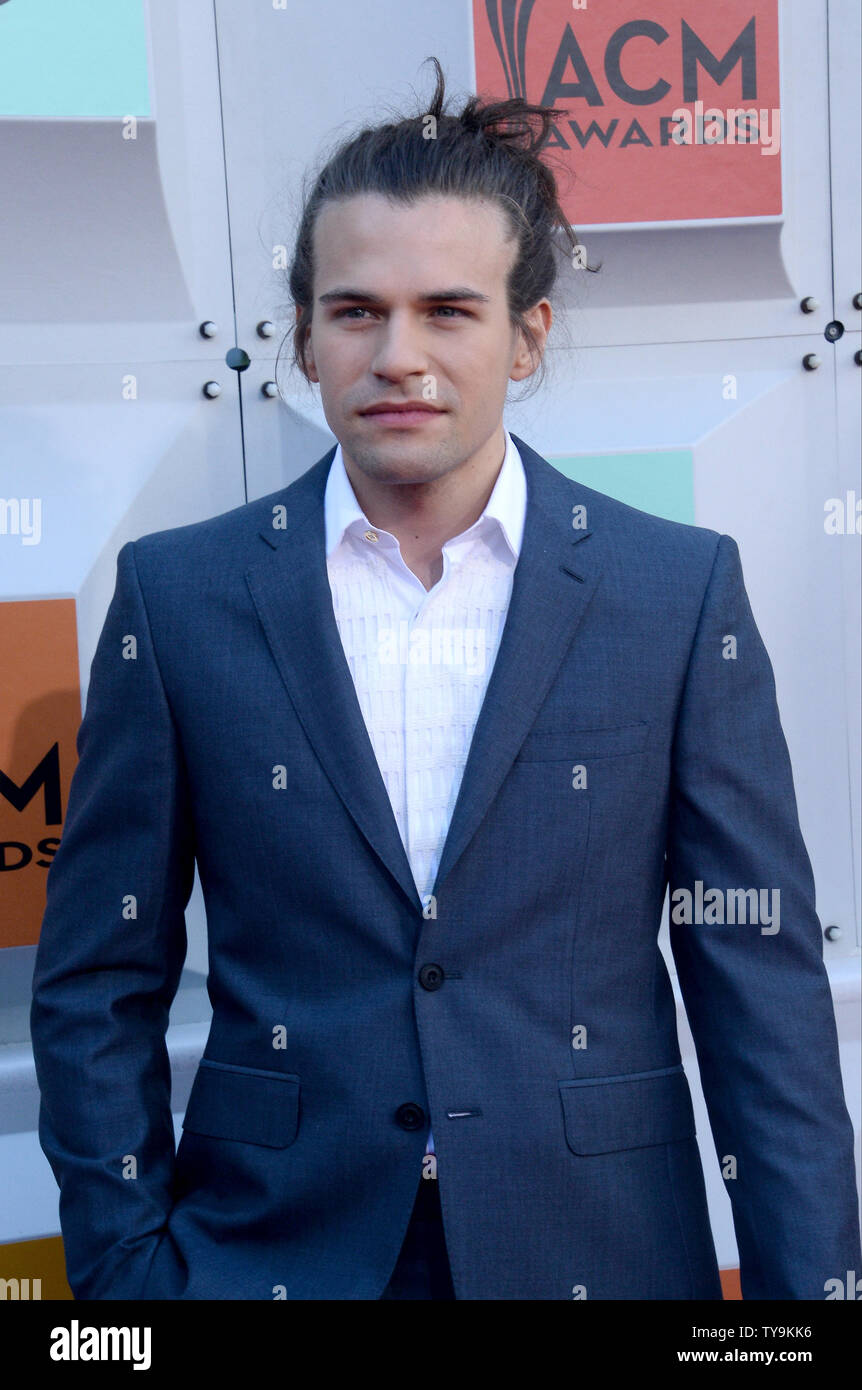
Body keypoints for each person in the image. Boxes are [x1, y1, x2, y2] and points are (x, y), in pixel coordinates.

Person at [30, 57, 860, 1300]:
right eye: (356, 310)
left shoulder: (671, 592)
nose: (397, 355)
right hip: (268, 1255)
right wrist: (124, 1282)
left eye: (449, 311)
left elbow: (759, 990)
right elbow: (99, 975)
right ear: (303, 336)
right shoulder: (181, 597)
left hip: (598, 1252)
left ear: (527, 336)